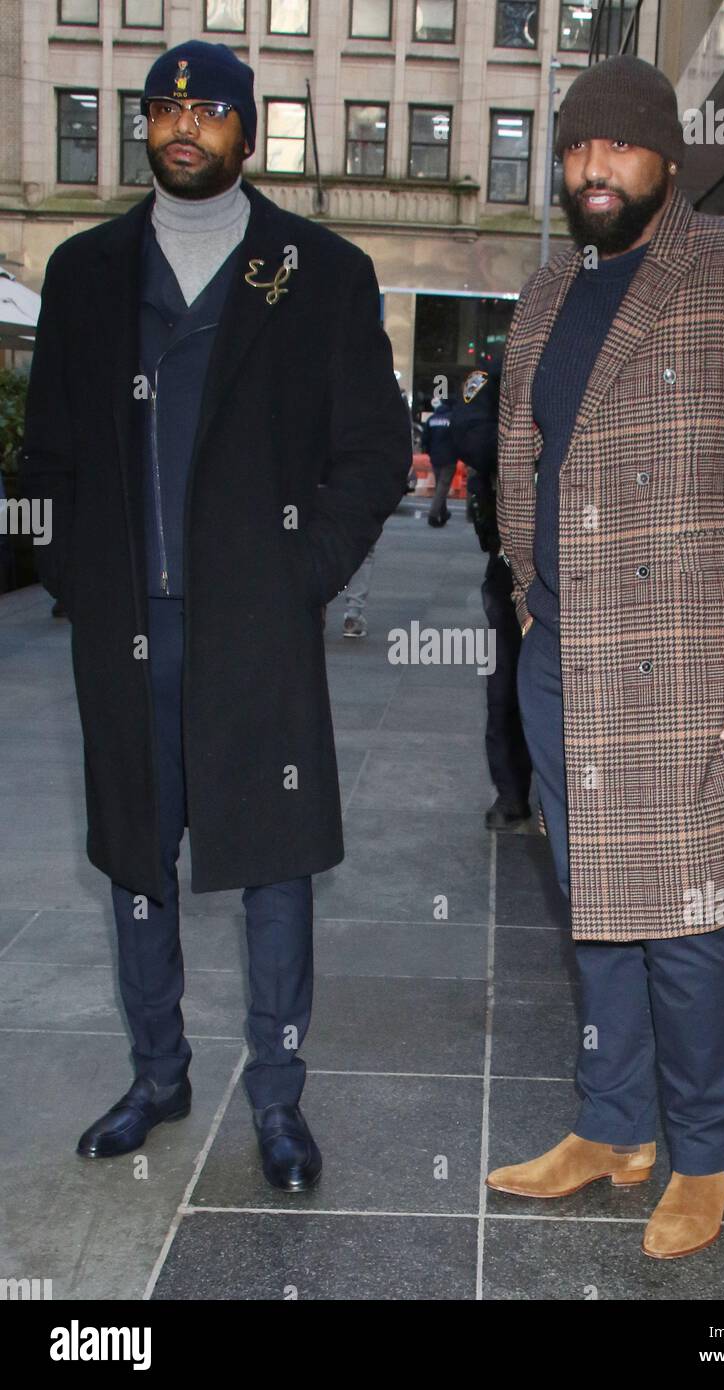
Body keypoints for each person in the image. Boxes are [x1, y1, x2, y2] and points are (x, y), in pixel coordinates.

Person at [19, 41, 411, 1193]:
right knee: (137, 858)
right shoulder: (86, 272)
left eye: (207, 110)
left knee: (273, 866)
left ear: (248, 130)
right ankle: (157, 1073)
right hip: (124, 632)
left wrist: (302, 574)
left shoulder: (318, 271)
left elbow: (374, 448)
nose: (182, 126)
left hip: (254, 633)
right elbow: (46, 451)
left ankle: (279, 1101)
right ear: (146, 129)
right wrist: (78, 579)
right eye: (164, 109)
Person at [490, 55, 724, 1259]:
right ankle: (611, 1127)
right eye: (575, 147)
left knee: (685, 925)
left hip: (698, 669)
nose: (592, 168)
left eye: (617, 146)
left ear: (666, 159)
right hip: (564, 660)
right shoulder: (546, 293)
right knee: (594, 910)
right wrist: (528, 597)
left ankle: (702, 1154)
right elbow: (519, 459)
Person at [448, 362, 532, 829]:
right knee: (505, 689)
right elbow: (476, 441)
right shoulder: (495, 379)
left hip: (586, 561)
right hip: (511, 563)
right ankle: (512, 793)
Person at [421, 395, 458, 526]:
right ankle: (433, 514)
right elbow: (457, 438)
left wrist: (428, 452)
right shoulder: (453, 419)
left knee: (440, 486)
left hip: (435, 457)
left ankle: (443, 512)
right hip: (449, 457)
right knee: (443, 486)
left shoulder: (432, 419)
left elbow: (425, 439)